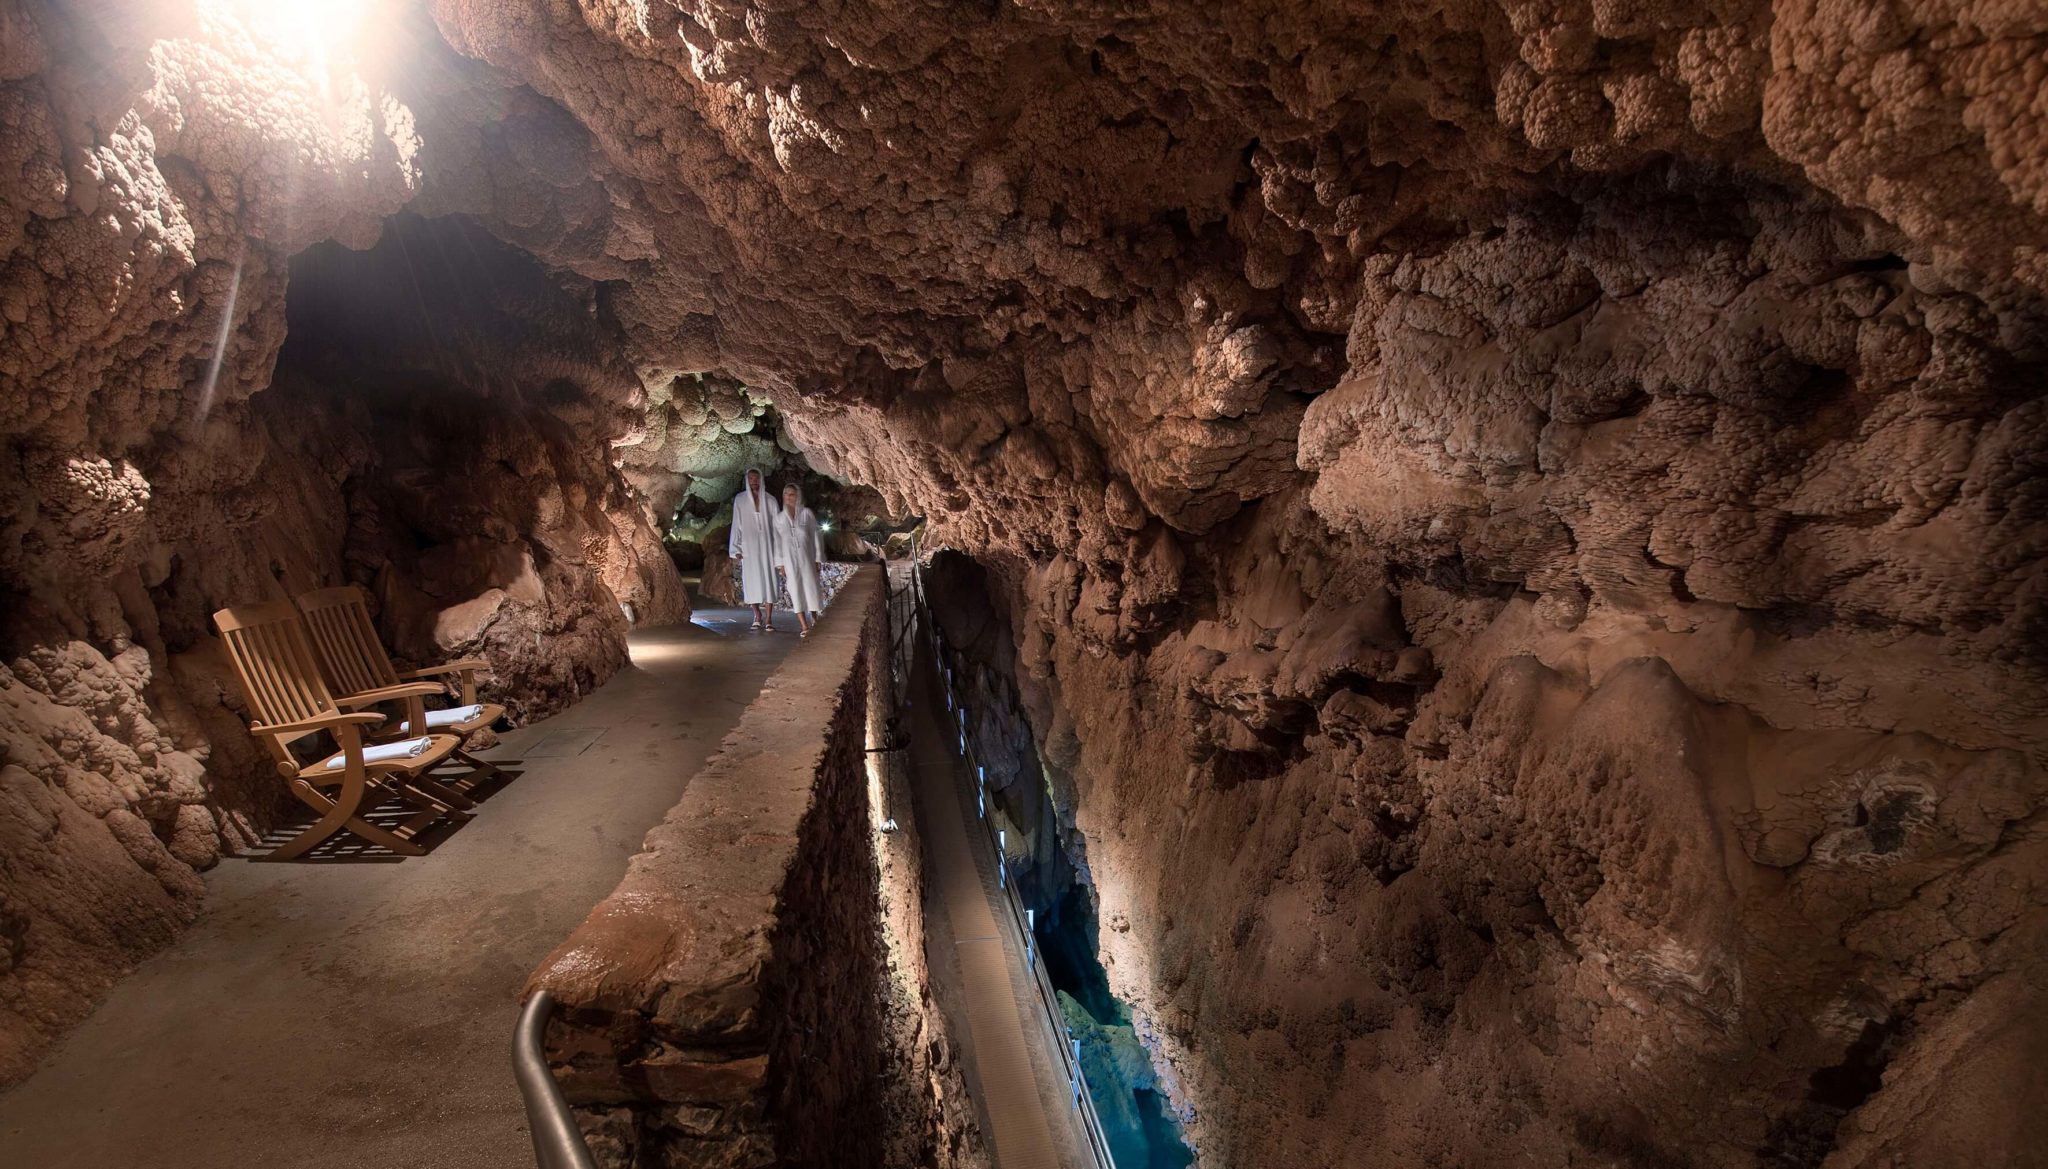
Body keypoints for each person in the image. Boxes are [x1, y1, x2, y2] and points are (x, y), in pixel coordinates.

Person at [728, 469, 781, 631]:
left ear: (761, 479)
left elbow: (778, 527)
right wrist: (735, 548)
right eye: (751, 478)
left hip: (768, 547)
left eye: (756, 478)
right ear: (747, 480)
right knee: (751, 581)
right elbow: (736, 524)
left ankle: (769, 618)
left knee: (769, 581)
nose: (754, 481)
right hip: (749, 547)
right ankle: (757, 614)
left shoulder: (771, 501)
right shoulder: (740, 500)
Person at [772, 482, 826, 636]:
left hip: (807, 557)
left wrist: (817, 558)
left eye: (792, 494)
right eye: (786, 494)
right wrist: (780, 563)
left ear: (798, 496)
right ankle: (804, 626)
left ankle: (815, 619)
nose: (789, 497)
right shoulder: (779, 519)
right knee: (795, 589)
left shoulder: (807, 514)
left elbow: (816, 535)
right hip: (789, 560)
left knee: (811, 587)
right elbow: (777, 542)